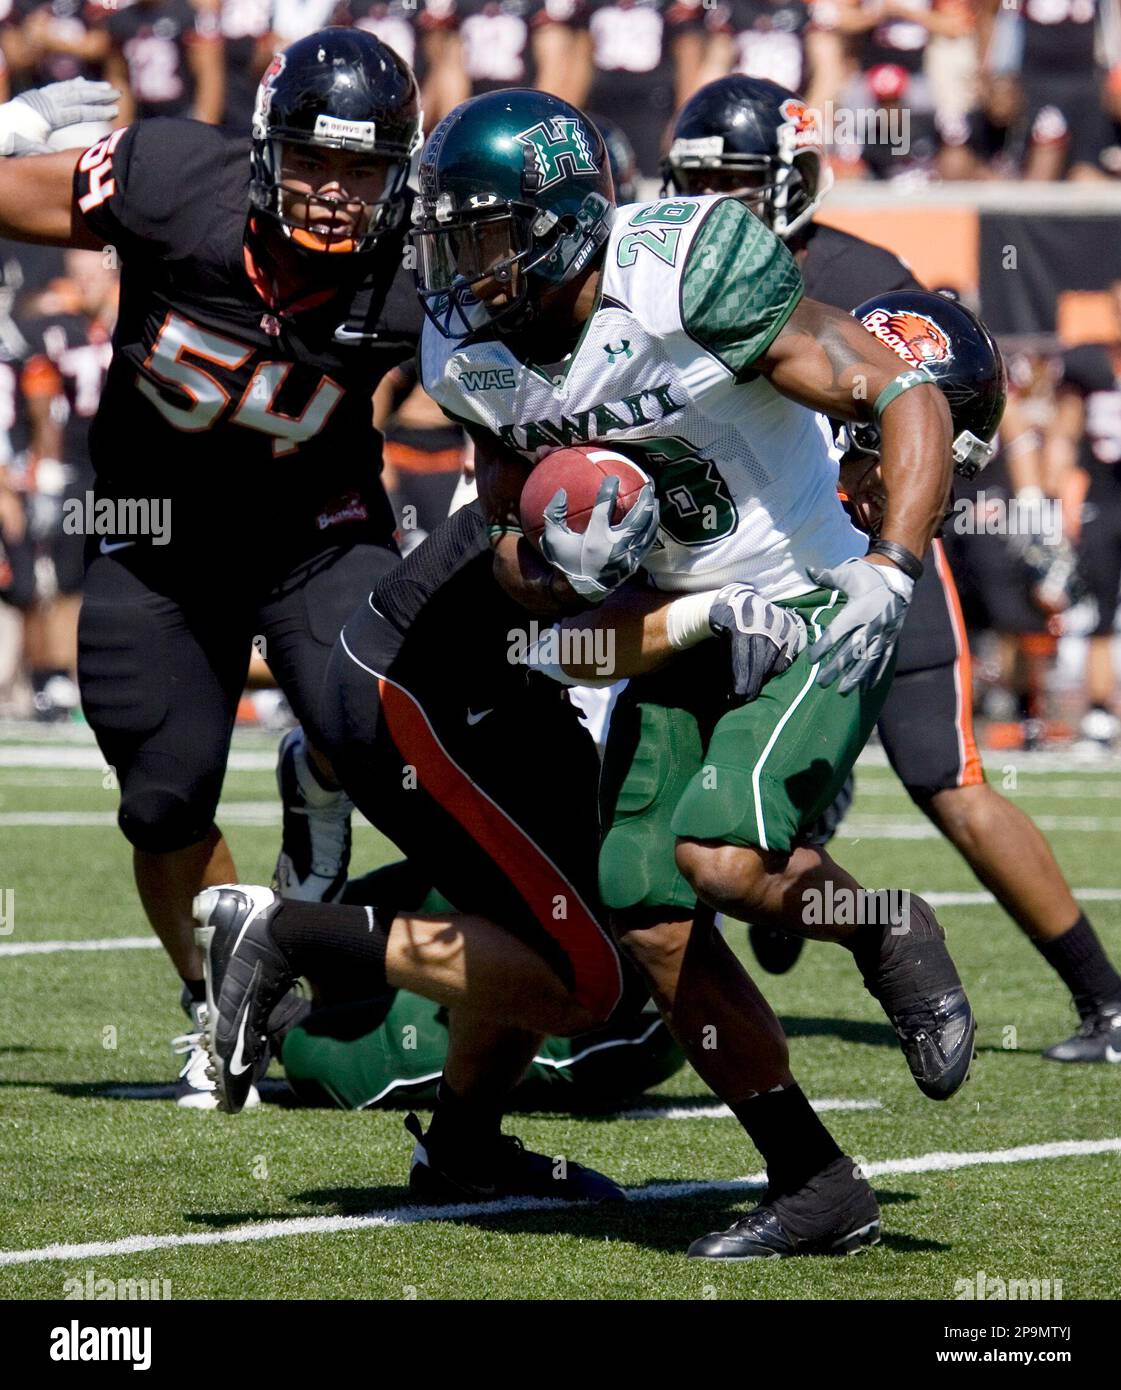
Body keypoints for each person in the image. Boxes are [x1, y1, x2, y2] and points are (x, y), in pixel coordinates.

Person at [405, 86, 984, 1257]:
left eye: (485, 235)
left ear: (563, 221)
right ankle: (814, 1180)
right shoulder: (472, 356)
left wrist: (889, 566)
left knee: (714, 853)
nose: (463, 268)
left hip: (811, 592)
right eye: (449, 236)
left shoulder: (686, 266)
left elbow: (896, 387)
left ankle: (883, 926)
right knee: (642, 900)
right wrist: (553, 560)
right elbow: (515, 542)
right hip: (676, 612)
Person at [0, 30, 430, 1104]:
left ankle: (325, 787)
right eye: (312, 163)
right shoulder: (166, 184)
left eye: (363, 169)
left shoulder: (423, 263)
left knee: (382, 736)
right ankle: (224, 1001)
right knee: (160, 797)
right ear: (259, 151)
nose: (335, 194)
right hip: (157, 543)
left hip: (315, 533)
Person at [663, 74, 1121, 1063]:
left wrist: (896, 533)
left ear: (787, 182)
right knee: (691, 775)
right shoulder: (667, 269)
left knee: (945, 778)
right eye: (697, 183)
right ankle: (763, 873)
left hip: (865, 548)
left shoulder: (860, 265)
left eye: (736, 185)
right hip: (725, 559)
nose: (714, 208)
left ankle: (1104, 994)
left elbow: (950, 401)